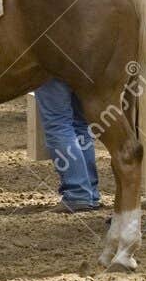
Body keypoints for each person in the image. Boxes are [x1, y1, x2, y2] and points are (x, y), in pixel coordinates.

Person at [35, 79, 100, 212]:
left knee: (58, 123)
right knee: (81, 124)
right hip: (83, 64)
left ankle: (77, 192)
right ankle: (90, 193)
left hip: (53, 66)